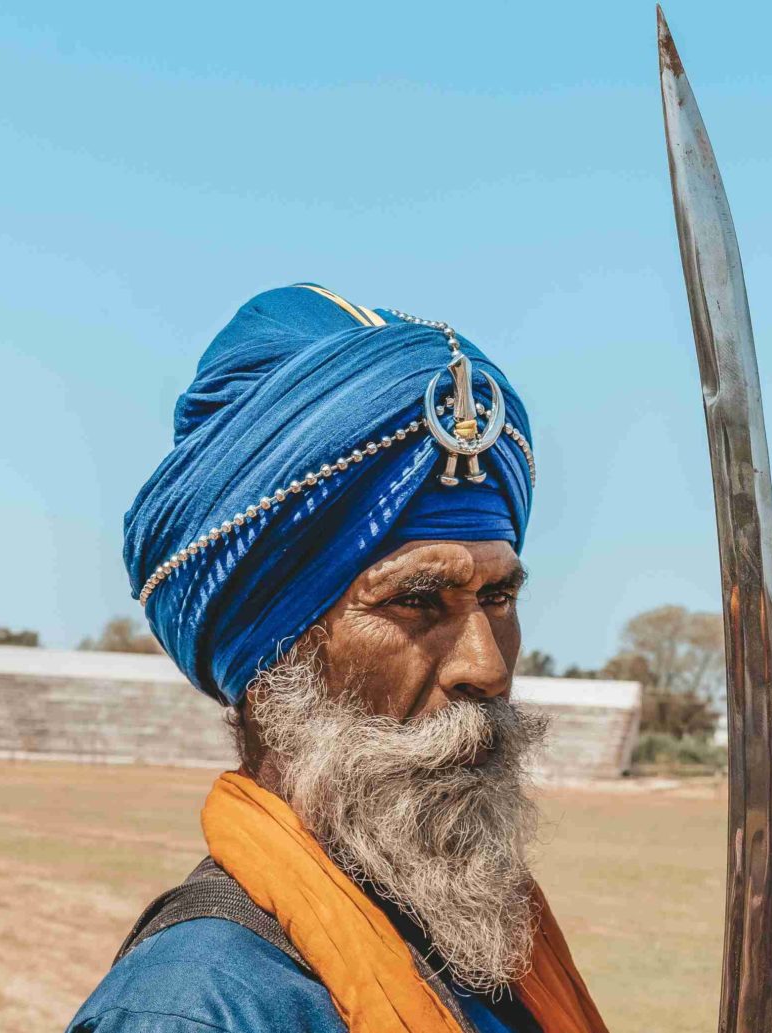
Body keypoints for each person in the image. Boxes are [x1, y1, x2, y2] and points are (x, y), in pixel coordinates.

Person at [67, 284, 608, 1033]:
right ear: (275, 660)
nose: (486, 667)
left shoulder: (482, 952)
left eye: (498, 597)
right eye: (418, 599)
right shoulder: (198, 1009)